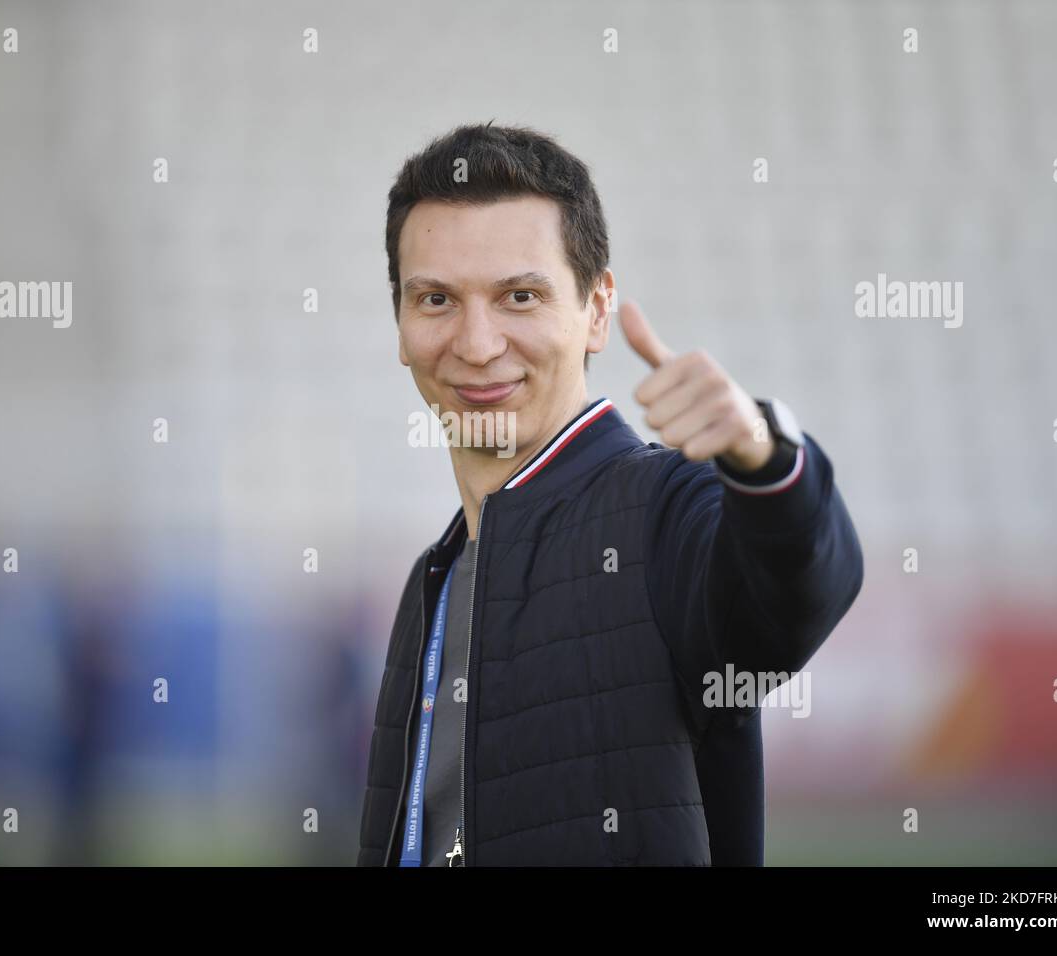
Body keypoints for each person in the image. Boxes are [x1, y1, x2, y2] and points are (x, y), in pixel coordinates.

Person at [356, 122, 863, 866]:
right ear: (400, 324)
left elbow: (796, 594)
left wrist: (763, 461)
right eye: (436, 300)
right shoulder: (435, 574)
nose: (475, 343)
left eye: (520, 297)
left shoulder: (663, 511)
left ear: (597, 310)